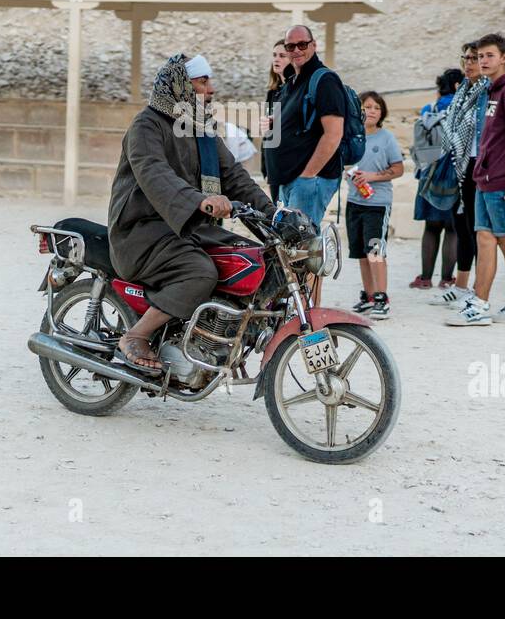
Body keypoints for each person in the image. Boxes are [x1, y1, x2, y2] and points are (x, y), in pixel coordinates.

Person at [108, 53, 275, 372]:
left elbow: (236, 178)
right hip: (143, 232)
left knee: (249, 257)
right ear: (180, 86)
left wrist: (274, 215)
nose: (211, 89)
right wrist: (198, 200)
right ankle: (136, 335)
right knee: (200, 271)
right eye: (202, 82)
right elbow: (154, 173)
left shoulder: (202, 129)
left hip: (189, 228)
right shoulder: (147, 125)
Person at [447, 33, 505, 326]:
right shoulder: (491, 91)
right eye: (480, 56)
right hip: (484, 179)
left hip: (502, 180)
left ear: (504, 57)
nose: (483, 61)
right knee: (484, 239)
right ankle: (480, 301)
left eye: (489, 55)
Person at [429, 44, 489, 311]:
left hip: (479, 166)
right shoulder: (462, 92)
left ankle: (478, 290)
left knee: (478, 231)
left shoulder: (487, 92)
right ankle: (462, 285)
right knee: (462, 227)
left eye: (474, 58)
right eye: (465, 58)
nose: (469, 63)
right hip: (460, 167)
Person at [272, 25, 345, 226]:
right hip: (290, 179)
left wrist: (307, 175)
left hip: (309, 180)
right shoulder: (294, 82)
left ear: (313, 45)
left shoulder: (324, 80)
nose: (296, 50)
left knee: (303, 246)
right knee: (292, 248)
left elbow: (333, 133)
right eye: (291, 46)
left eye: (302, 44)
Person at [347, 91, 404, 320]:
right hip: (354, 202)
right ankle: (369, 296)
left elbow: (398, 169)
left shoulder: (386, 138)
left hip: (377, 204)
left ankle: (382, 297)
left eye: (376, 108)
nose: (371, 111)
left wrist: (372, 176)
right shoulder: (351, 136)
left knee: (375, 251)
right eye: (367, 106)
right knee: (361, 253)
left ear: (382, 113)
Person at [411, 69, 464, 290]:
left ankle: (424, 278)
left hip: (429, 176)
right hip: (454, 175)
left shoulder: (428, 110)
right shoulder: (462, 109)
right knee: (452, 229)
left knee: (431, 228)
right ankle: (446, 278)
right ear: (457, 86)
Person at [259, 39, 290, 204]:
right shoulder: (273, 93)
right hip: (273, 166)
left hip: (290, 165)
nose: (276, 60)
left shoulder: (296, 91)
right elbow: (269, 132)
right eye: (274, 55)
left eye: (282, 56)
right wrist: (265, 164)